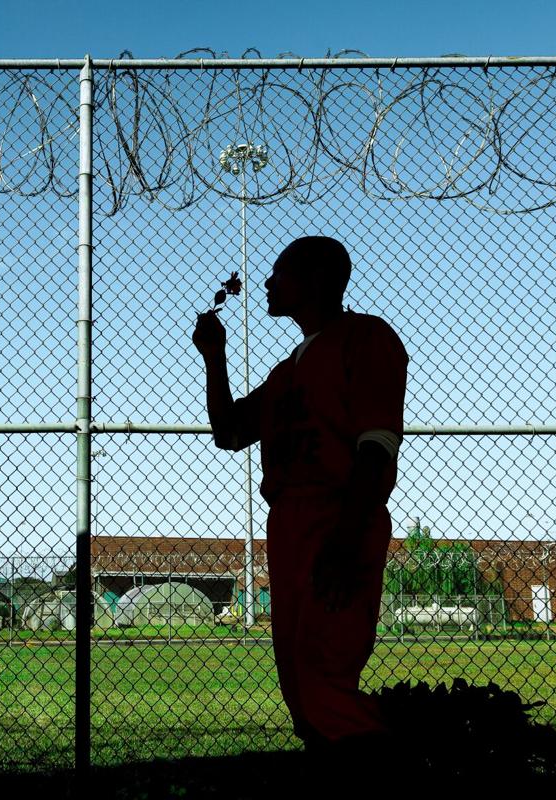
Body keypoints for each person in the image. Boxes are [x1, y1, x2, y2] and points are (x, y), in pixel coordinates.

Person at [192, 236, 408, 785]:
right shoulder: (288, 370)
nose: (267, 284)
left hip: (340, 515)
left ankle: (391, 770)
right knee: (297, 678)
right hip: (289, 522)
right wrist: (214, 359)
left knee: (324, 672)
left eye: (278, 273)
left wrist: (343, 542)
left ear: (314, 280)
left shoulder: (367, 338)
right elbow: (229, 430)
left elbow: (375, 446)